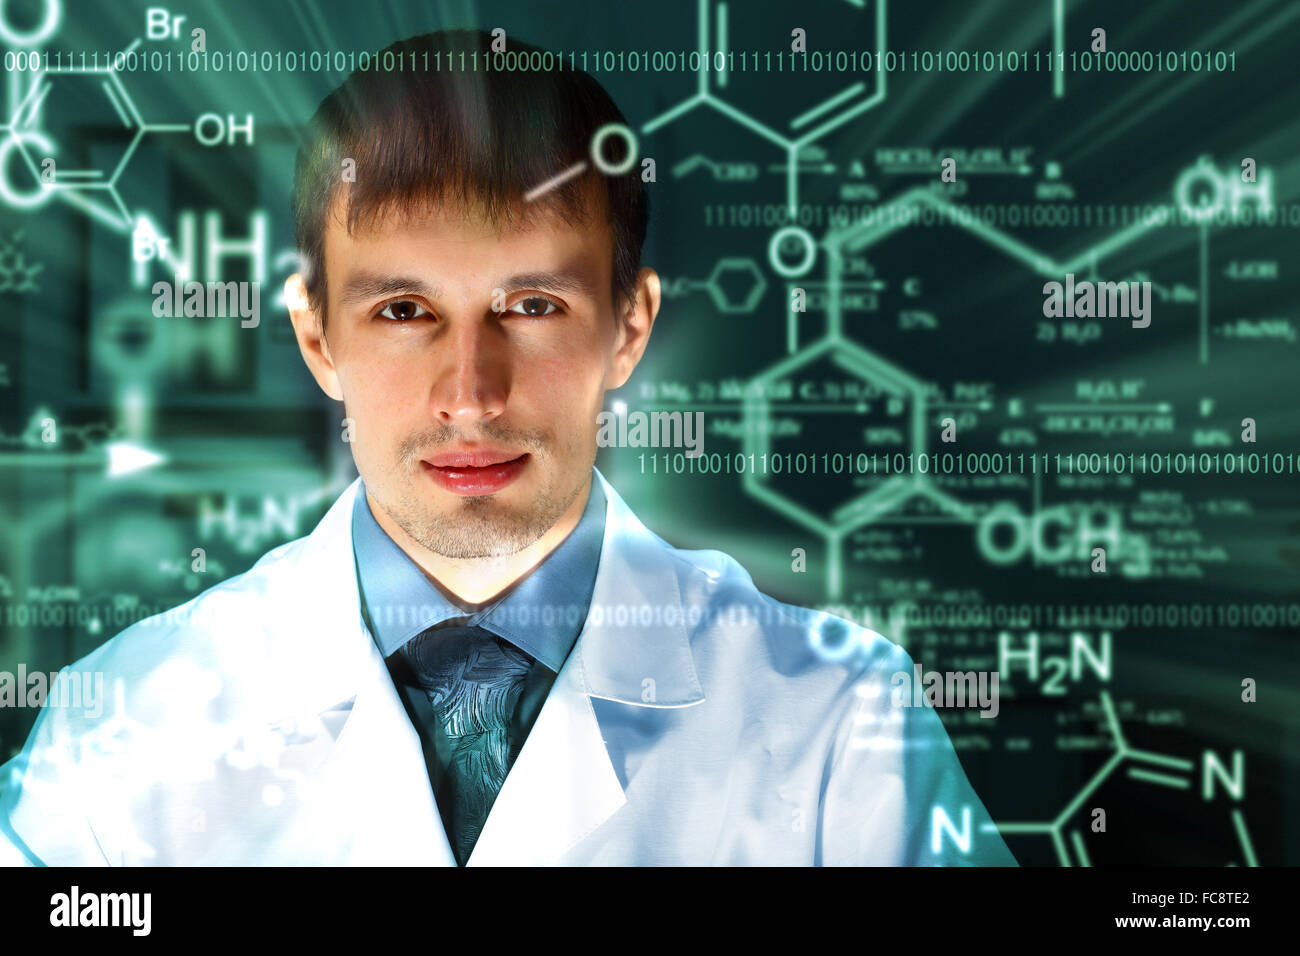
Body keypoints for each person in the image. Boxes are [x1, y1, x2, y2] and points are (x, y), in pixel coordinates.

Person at [0, 28, 1015, 866]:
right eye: (403, 309)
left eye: (531, 304)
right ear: (317, 338)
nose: (470, 395)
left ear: (626, 326)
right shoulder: (117, 738)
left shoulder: (840, 723)